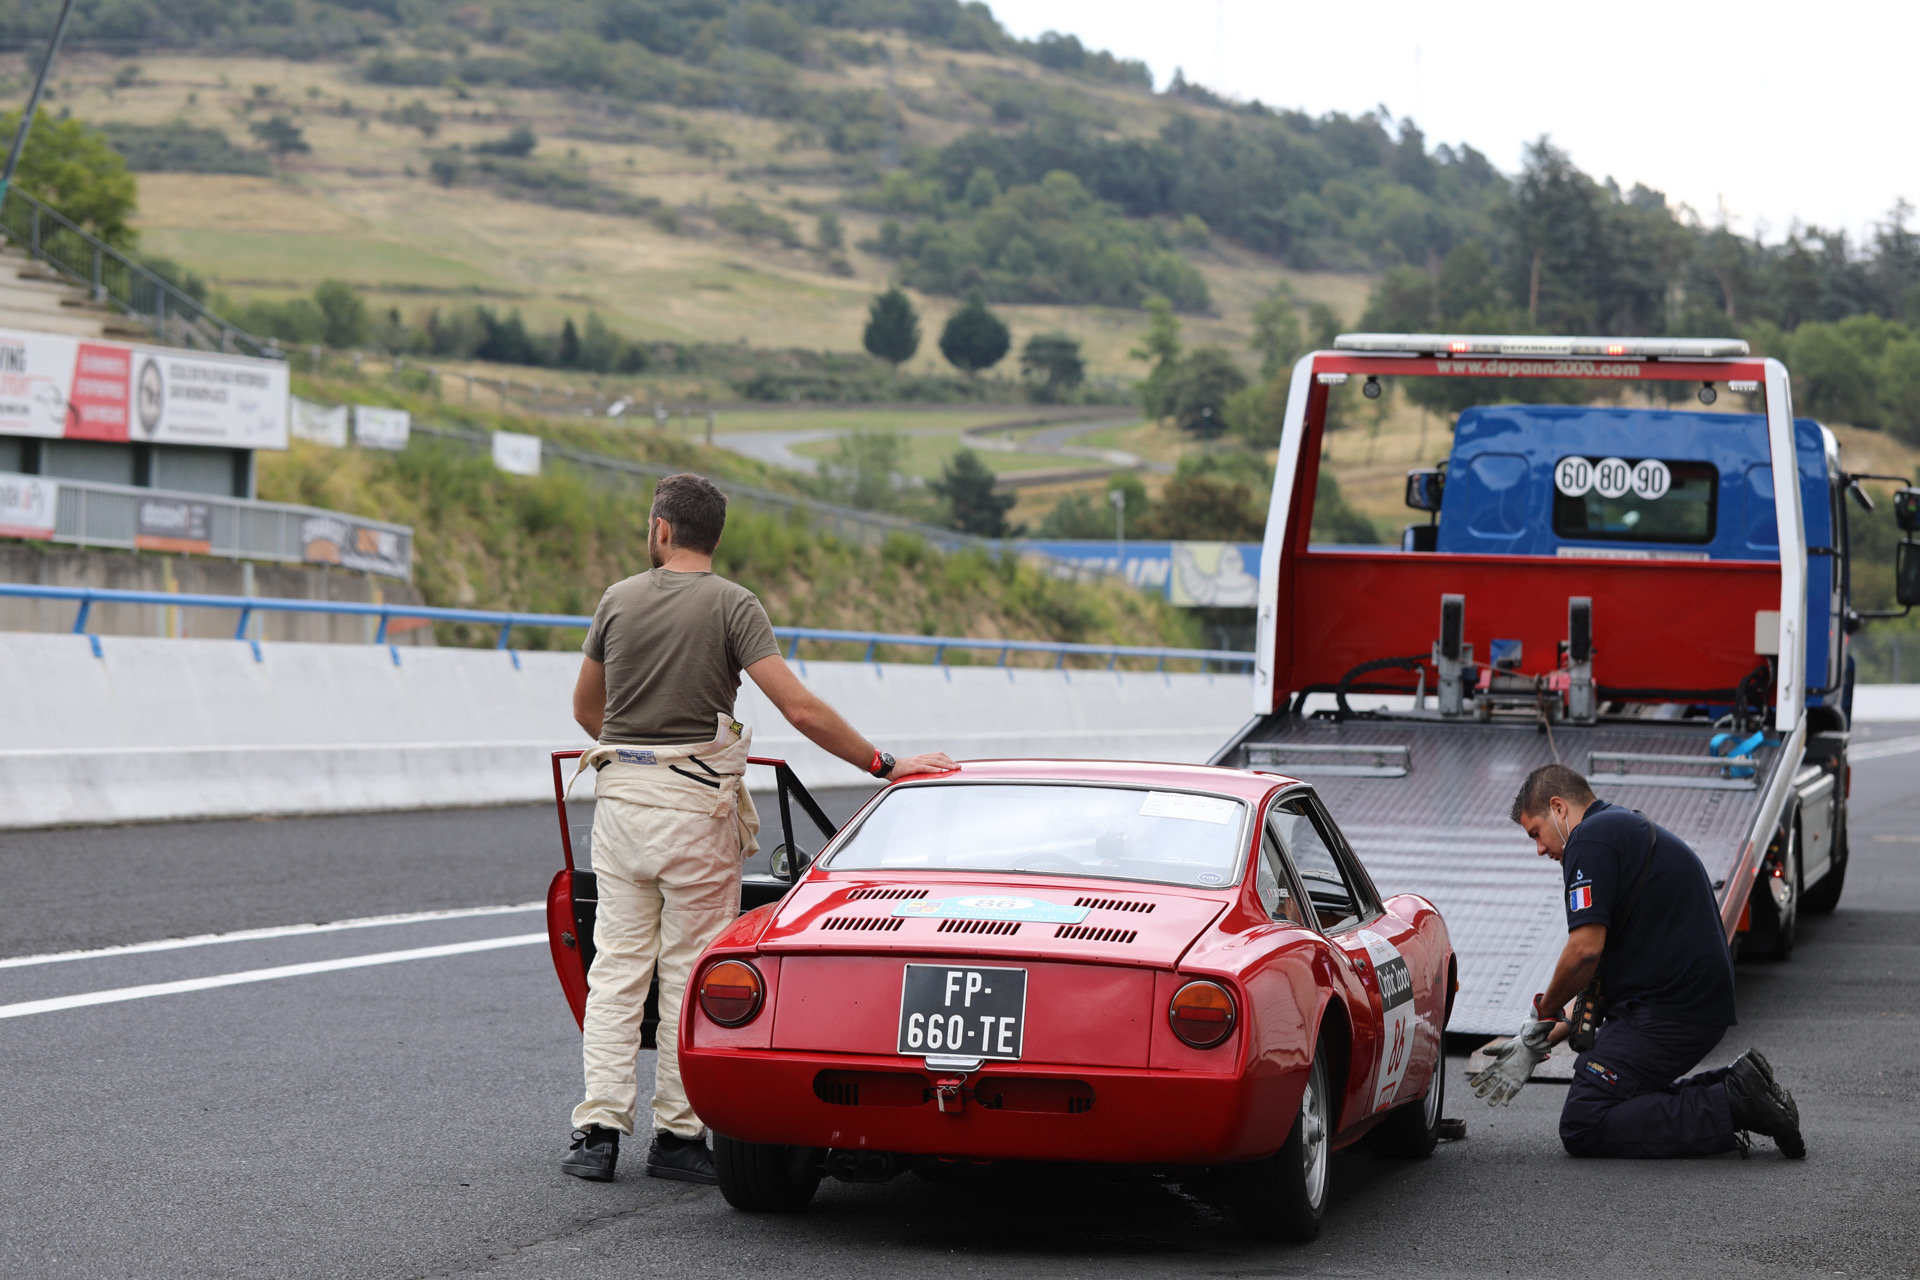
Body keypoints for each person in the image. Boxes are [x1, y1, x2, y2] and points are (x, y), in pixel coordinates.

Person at [560, 473, 956, 1185]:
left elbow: (587, 708)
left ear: (660, 530)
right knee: (687, 969)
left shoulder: (616, 600)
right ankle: (678, 1138)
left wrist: (637, 746)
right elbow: (799, 710)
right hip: (696, 809)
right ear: (714, 536)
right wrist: (884, 763)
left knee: (616, 967)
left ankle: (596, 1134)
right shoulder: (734, 605)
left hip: (620, 803)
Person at [1470, 763, 1805, 1159]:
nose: (1540, 849)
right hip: (1682, 1001)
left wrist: (1539, 1017)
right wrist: (1541, 1038)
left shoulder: (1589, 841)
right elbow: (1597, 979)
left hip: (1672, 1009)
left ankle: (1733, 1103)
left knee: (1586, 1119)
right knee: (1624, 1097)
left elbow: (1583, 953)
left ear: (1558, 808)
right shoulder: (1615, 829)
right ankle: (1742, 1086)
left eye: (1536, 833)